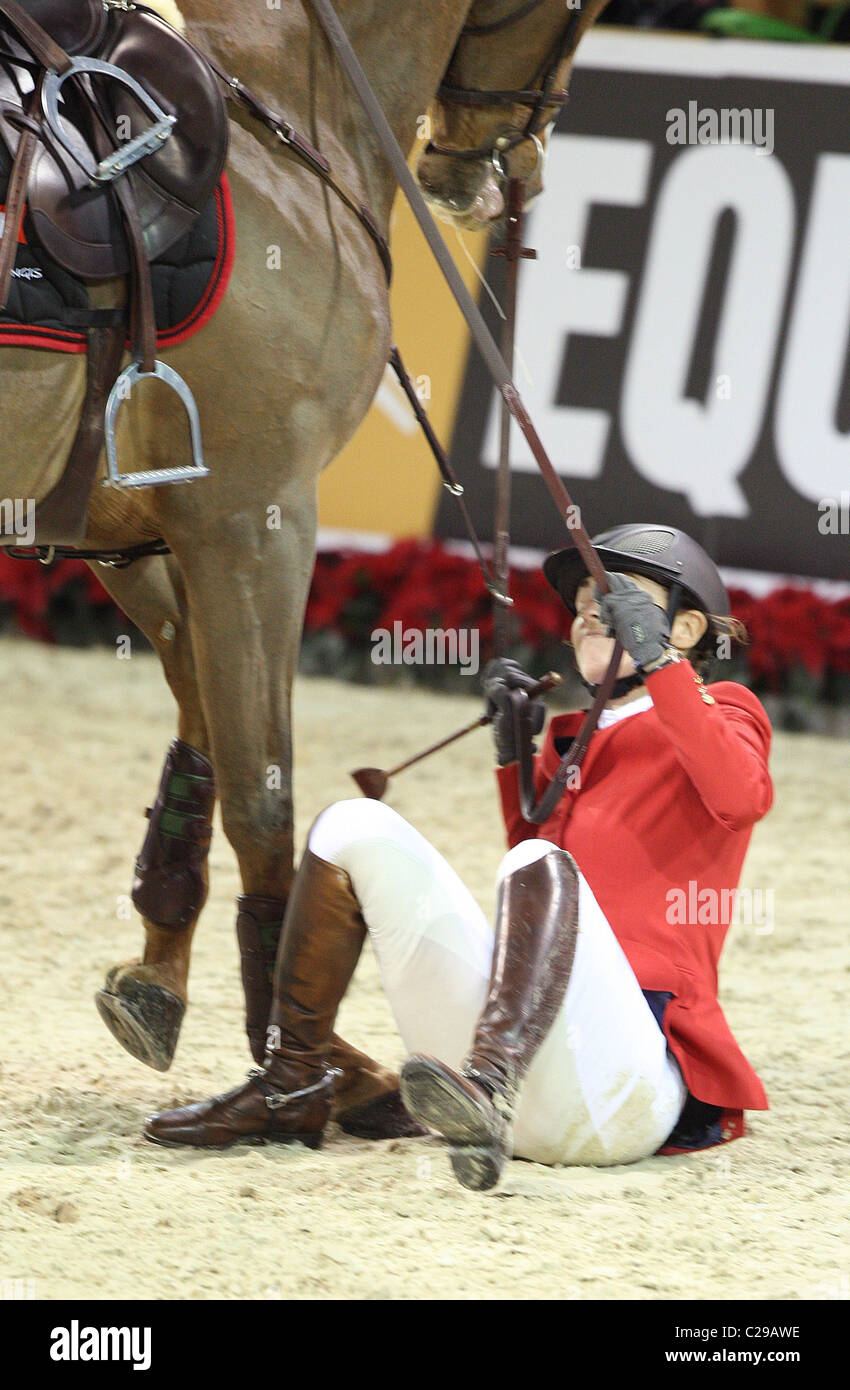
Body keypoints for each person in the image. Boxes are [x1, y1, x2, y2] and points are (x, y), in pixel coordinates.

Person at [144, 524, 773, 1192]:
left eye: (620, 597)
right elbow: (536, 891)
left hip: (625, 1089)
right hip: (532, 1087)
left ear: (685, 628)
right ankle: (290, 1086)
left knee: (537, 862)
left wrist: (664, 666)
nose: (593, 610)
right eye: (585, 602)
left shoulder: (726, 709)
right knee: (353, 826)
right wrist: (515, 758)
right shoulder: (574, 739)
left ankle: (489, 1083)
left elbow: (740, 797)